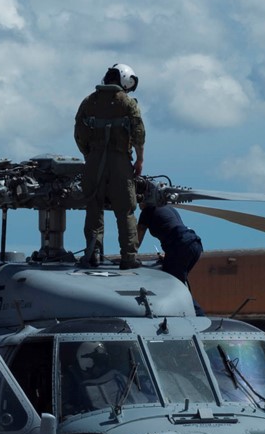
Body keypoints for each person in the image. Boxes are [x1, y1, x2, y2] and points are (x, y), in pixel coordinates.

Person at [73, 64, 146, 269]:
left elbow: (79, 133)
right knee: (125, 210)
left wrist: (90, 155)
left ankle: (93, 253)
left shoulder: (89, 101)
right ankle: (129, 257)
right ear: (124, 80)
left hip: (93, 161)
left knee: (93, 208)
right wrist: (139, 160)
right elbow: (139, 134)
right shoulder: (128, 103)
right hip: (120, 161)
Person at [139, 199, 203, 284]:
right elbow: (175, 230)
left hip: (181, 247)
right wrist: (169, 256)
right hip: (195, 244)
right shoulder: (168, 208)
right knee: (180, 282)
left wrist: (128, 256)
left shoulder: (147, 211)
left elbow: (136, 239)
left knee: (172, 283)